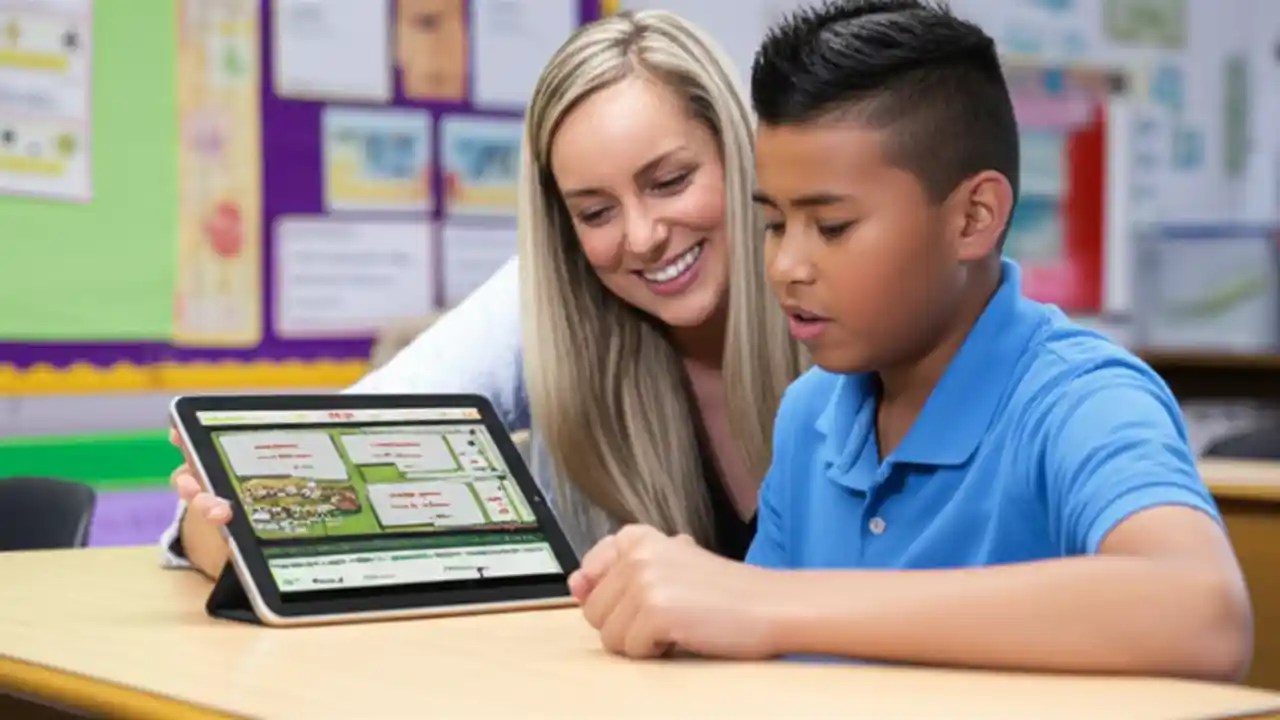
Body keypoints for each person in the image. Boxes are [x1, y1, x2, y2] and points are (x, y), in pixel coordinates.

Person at [566, 0, 1254, 681]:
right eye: (774, 224)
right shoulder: (811, 414)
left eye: (831, 227)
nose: (785, 266)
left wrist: (771, 602)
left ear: (973, 217)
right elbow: (758, 656)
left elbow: (1204, 614)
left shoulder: (1081, 400)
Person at [160, 9, 805, 579]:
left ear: (741, 156)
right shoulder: (553, 297)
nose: (642, 237)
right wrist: (214, 525)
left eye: (670, 181)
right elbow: (329, 450)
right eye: (595, 212)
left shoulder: (835, 298)